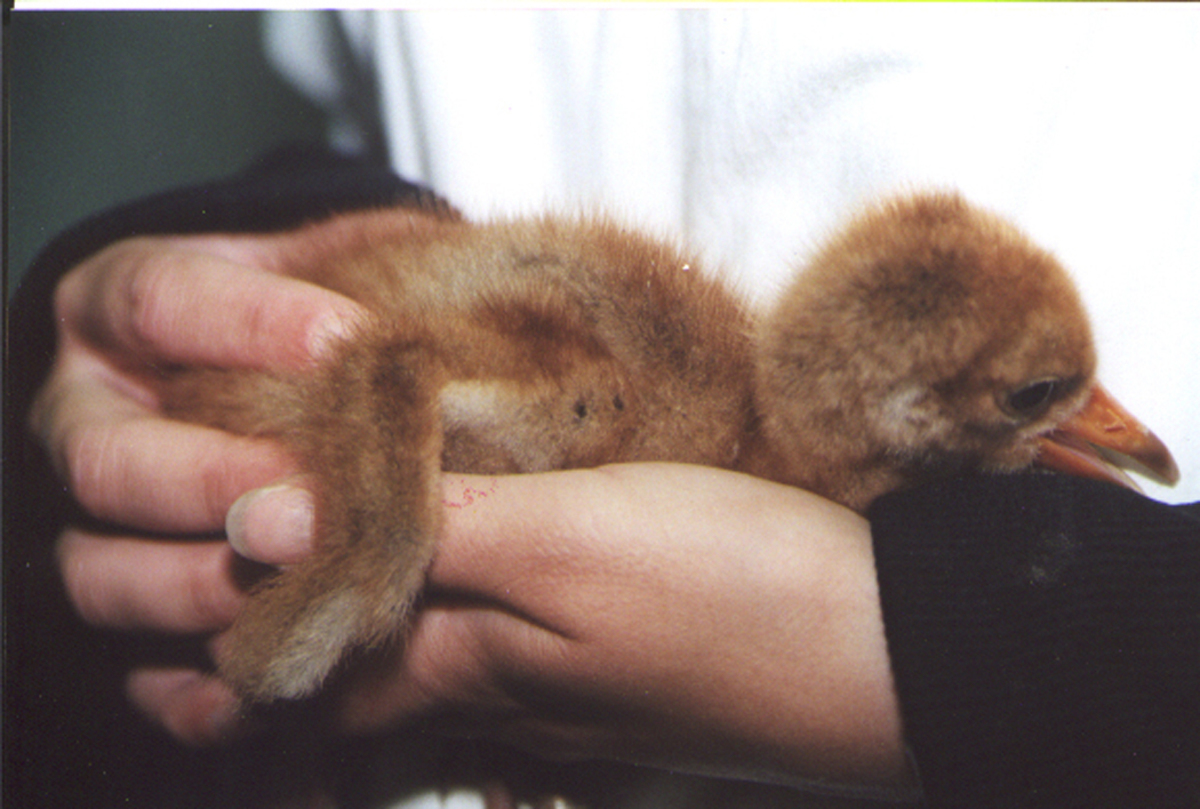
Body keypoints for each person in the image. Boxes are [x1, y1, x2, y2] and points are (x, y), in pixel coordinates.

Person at [9, 7, 1200, 809]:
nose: (1124, 436)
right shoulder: (633, 390)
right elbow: (396, 139)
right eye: (1051, 398)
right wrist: (245, 262)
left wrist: (935, 644)